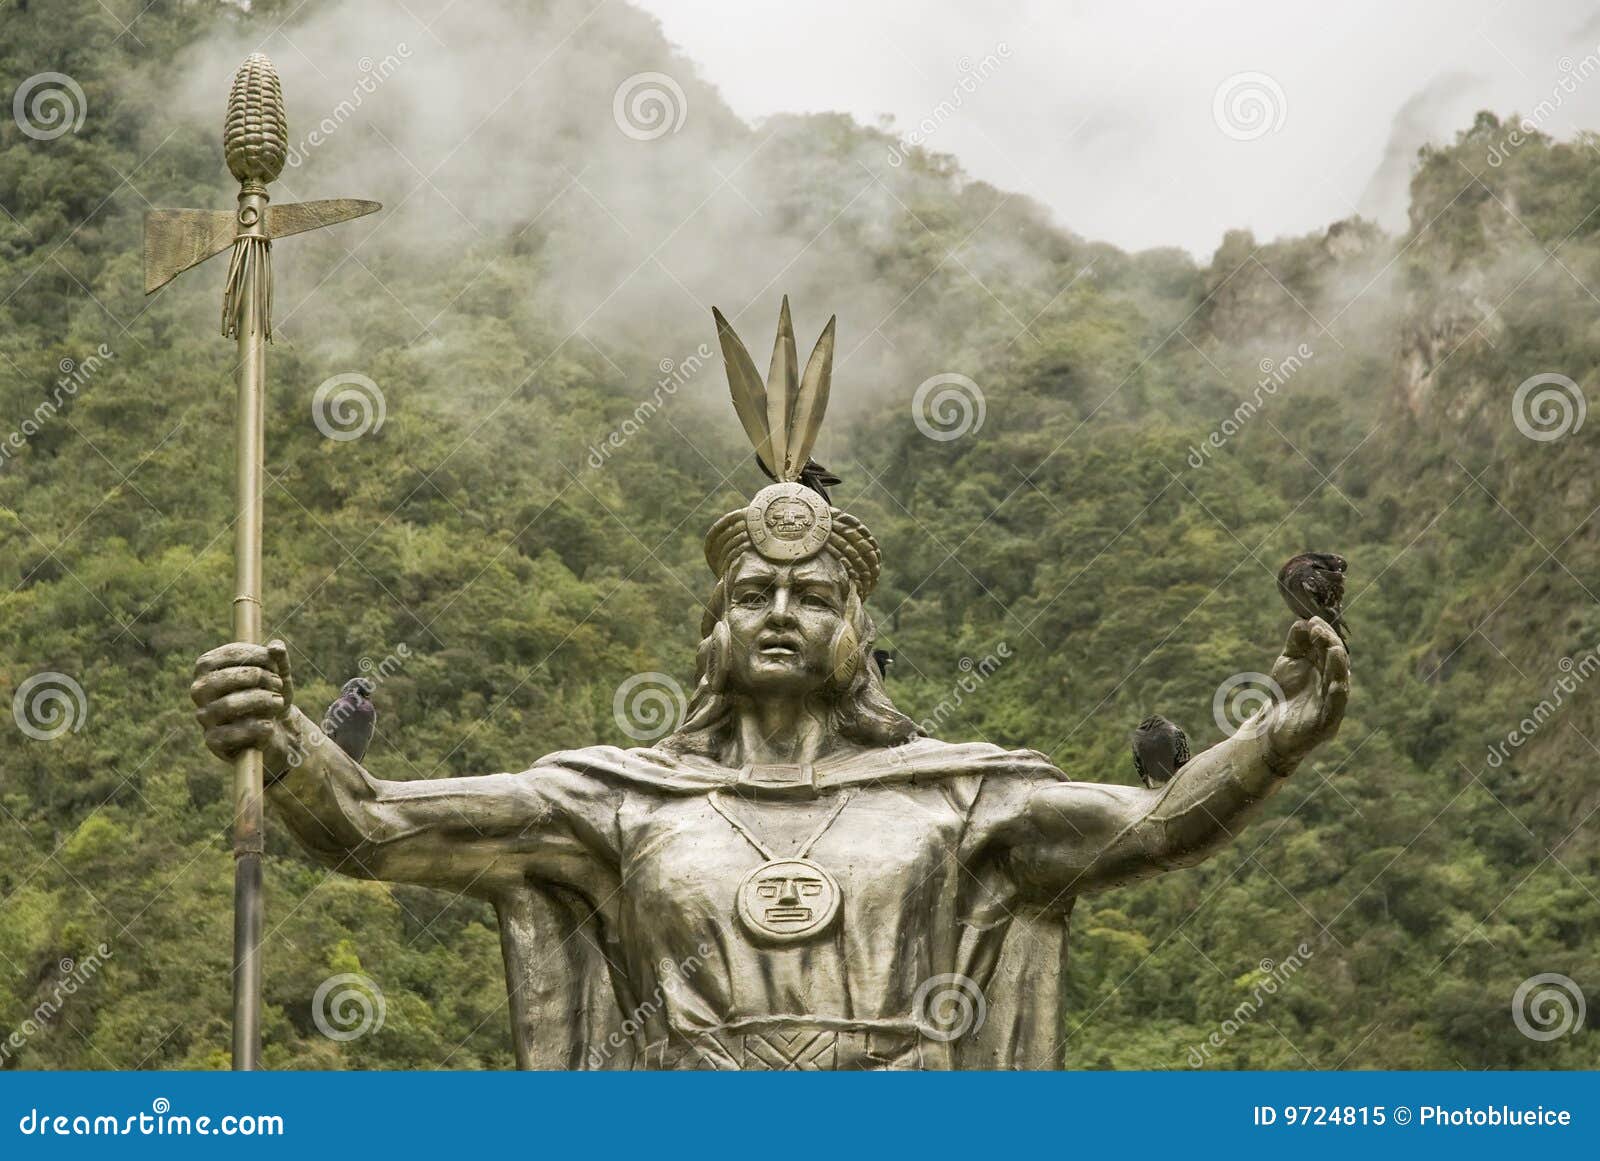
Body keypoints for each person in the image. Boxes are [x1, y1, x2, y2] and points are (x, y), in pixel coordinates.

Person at [190, 302, 1349, 1069]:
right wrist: (280, 736)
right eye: (751, 596)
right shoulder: (615, 802)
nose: (781, 613)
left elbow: (1156, 826)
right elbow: (375, 827)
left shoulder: (957, 798)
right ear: (714, 630)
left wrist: (1277, 738)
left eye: (812, 598)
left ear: (859, 628)